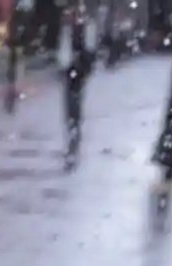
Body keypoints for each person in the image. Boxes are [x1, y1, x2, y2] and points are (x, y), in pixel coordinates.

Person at [63, 22, 94, 170]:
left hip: (75, 85)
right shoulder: (75, 50)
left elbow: (87, 67)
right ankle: (73, 146)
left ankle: (73, 148)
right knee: (72, 116)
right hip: (73, 85)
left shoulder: (82, 51)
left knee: (73, 116)